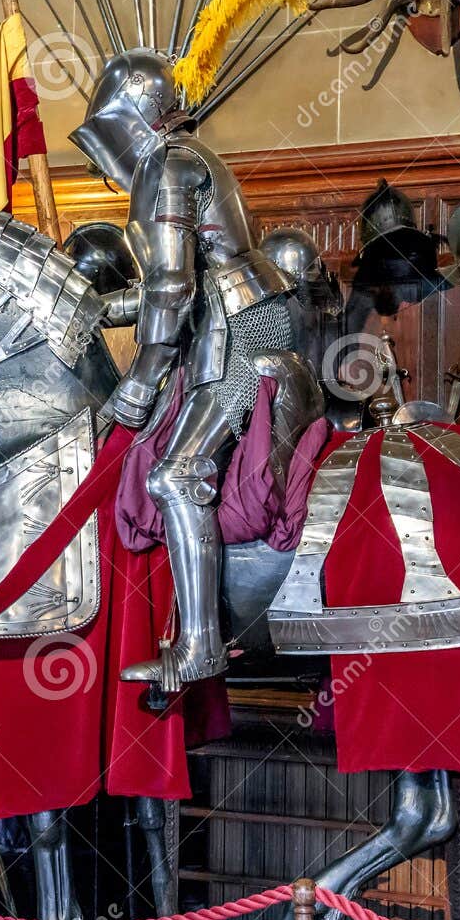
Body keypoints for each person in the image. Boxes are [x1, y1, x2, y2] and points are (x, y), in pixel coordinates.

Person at [69, 49, 301, 691]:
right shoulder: (182, 158)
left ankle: (200, 645)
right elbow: (167, 288)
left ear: (134, 115)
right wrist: (93, 306)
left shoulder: (166, 165)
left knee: (177, 474)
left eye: (109, 127)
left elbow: (173, 290)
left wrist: (138, 385)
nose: (102, 149)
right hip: (225, 327)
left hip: (239, 336)